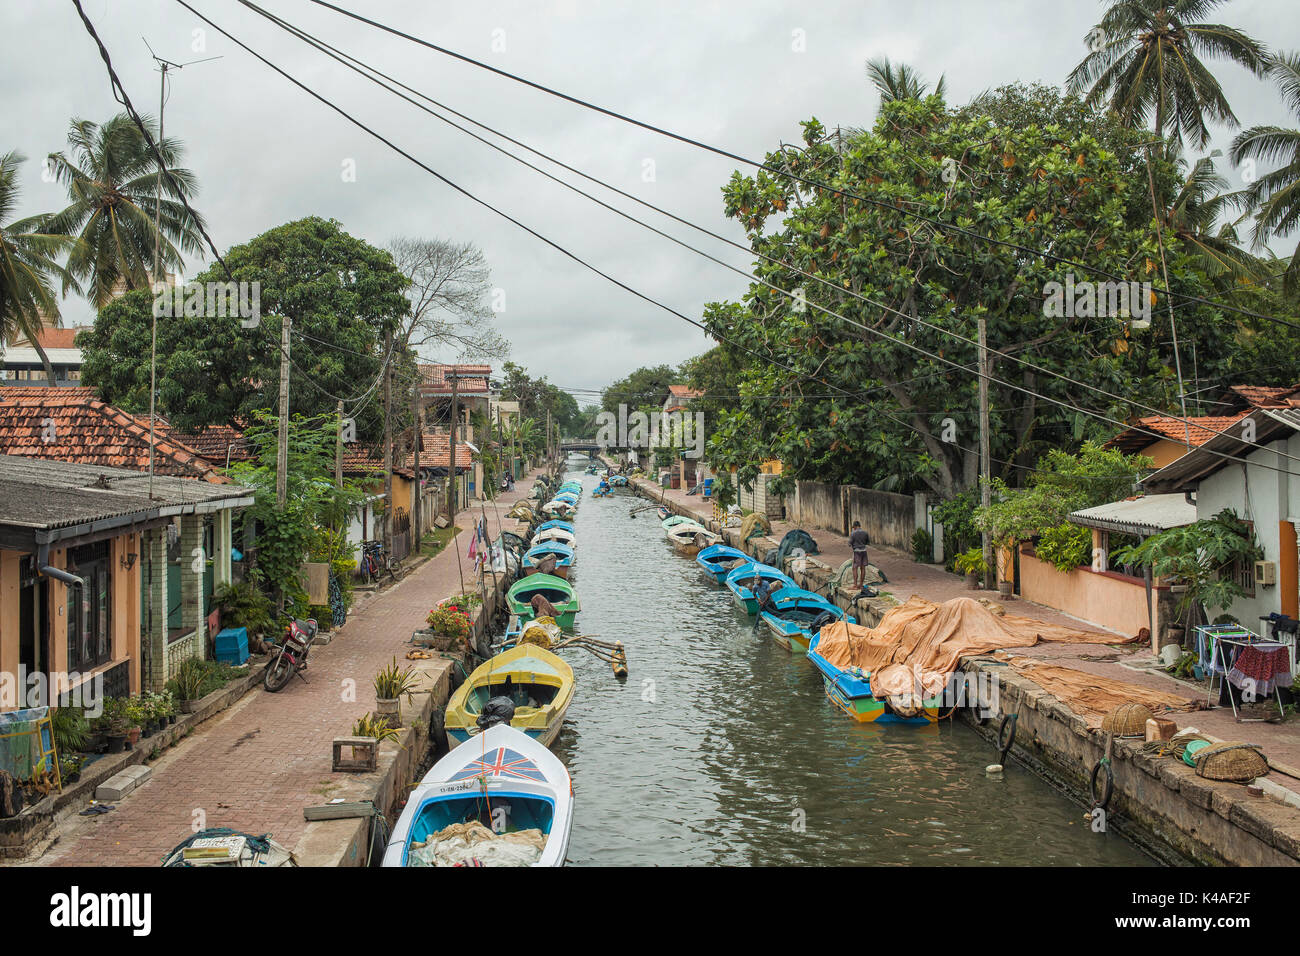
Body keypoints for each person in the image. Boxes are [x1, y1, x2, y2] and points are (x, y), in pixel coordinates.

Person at [848, 520, 870, 590]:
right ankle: (861, 585)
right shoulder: (865, 533)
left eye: (853, 527)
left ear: (854, 526)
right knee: (863, 568)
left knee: (855, 568)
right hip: (864, 551)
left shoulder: (853, 533)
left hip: (856, 552)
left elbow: (849, 543)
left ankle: (855, 585)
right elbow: (867, 542)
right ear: (859, 526)